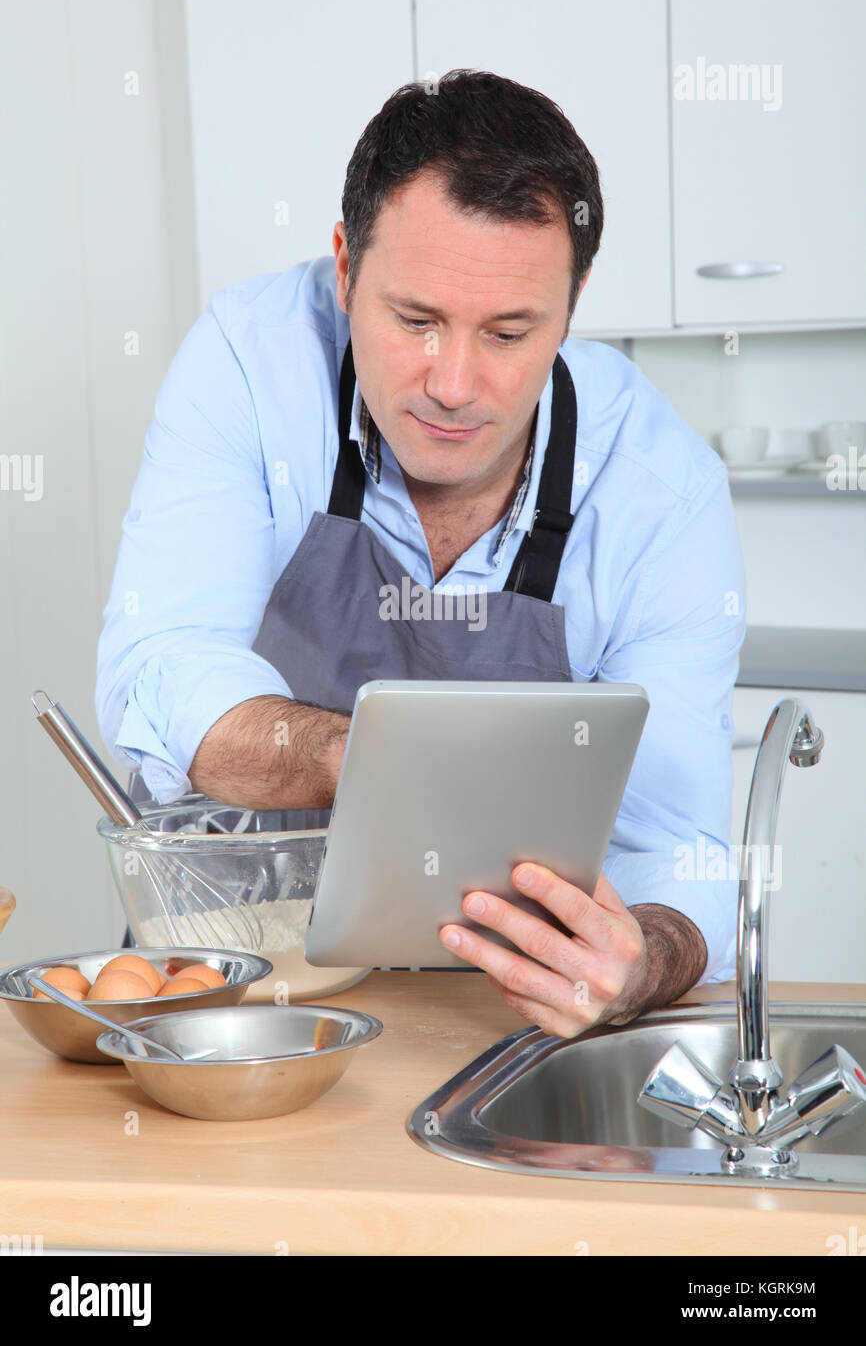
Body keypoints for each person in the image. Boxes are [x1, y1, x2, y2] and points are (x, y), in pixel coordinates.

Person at [96, 70, 745, 1039]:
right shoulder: (248, 364)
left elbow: (679, 856)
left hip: (499, 1017)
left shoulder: (660, 489)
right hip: (244, 991)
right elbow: (156, 677)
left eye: (507, 333)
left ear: (569, 310)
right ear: (345, 272)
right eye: (415, 321)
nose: (452, 383)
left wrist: (638, 956)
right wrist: (360, 757)